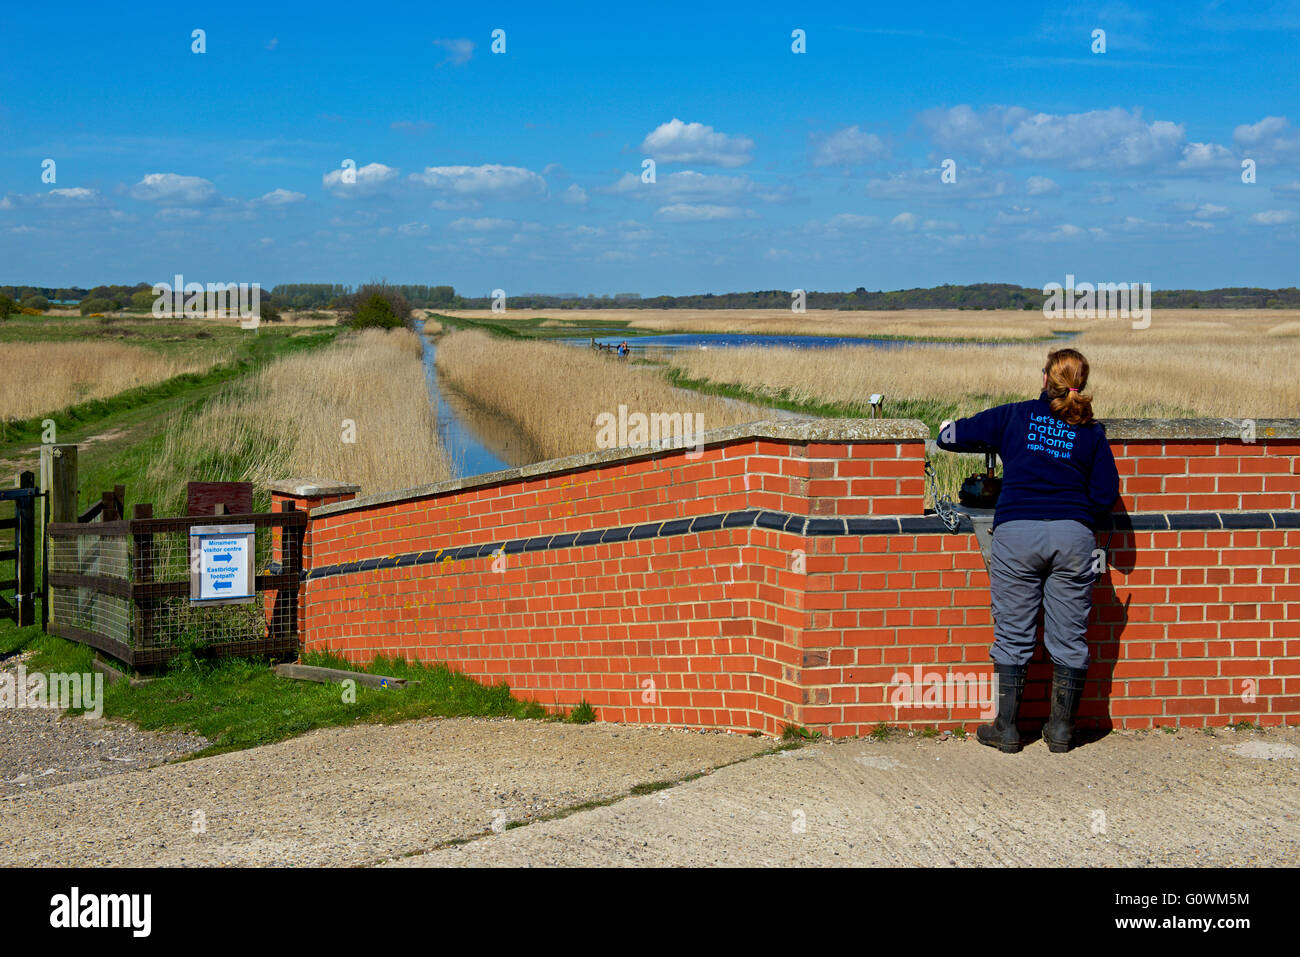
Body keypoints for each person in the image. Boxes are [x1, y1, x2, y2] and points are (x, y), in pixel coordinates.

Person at [936, 348, 1119, 754]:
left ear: (1044, 379)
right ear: (1081, 384)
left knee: (1013, 634)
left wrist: (948, 427)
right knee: (1069, 637)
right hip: (1074, 538)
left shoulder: (1013, 416)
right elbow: (1106, 494)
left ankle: (1007, 729)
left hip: (1017, 534)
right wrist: (1071, 512)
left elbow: (948, 437)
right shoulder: (1091, 432)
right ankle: (1060, 732)